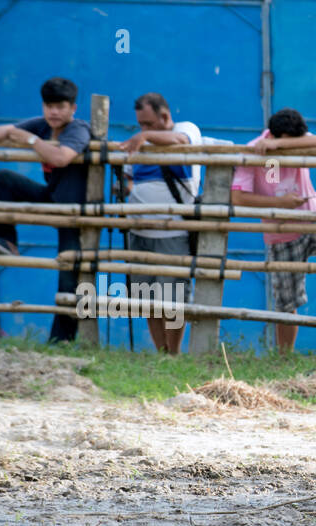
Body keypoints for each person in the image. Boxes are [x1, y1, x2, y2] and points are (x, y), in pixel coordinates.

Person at [0, 77, 90, 343]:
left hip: (75, 214)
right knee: (3, 180)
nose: (54, 112)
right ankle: (6, 241)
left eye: (60, 106)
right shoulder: (41, 126)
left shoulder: (78, 129)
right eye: (49, 105)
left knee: (69, 282)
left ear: (73, 107)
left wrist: (29, 140)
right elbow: (5, 130)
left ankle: (61, 343)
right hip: (52, 199)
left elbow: (60, 158)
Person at [231, 108, 316, 355]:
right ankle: (284, 357)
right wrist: (280, 204)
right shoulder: (254, 150)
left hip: (314, 216)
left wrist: (278, 147)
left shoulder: (297, 139)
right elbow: (238, 197)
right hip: (281, 232)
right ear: (279, 135)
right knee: (286, 304)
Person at [119, 92, 201, 355]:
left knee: (173, 299)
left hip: (173, 230)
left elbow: (180, 140)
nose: (143, 130)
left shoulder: (185, 129)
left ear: (165, 116)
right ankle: (161, 353)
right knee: (146, 297)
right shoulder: (140, 142)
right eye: (141, 125)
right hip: (139, 231)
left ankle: (174, 352)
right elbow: (128, 177)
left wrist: (145, 137)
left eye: (149, 124)